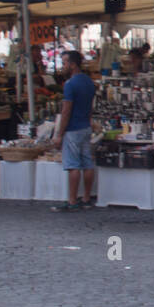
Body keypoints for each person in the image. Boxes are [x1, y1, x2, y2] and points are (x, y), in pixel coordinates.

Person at [52, 50, 96, 211]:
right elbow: (91, 107)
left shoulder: (70, 84)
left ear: (72, 64)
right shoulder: (89, 82)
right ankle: (86, 197)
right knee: (88, 163)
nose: (63, 66)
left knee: (73, 166)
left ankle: (72, 200)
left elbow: (66, 111)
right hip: (85, 126)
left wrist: (59, 134)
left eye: (64, 63)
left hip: (73, 128)